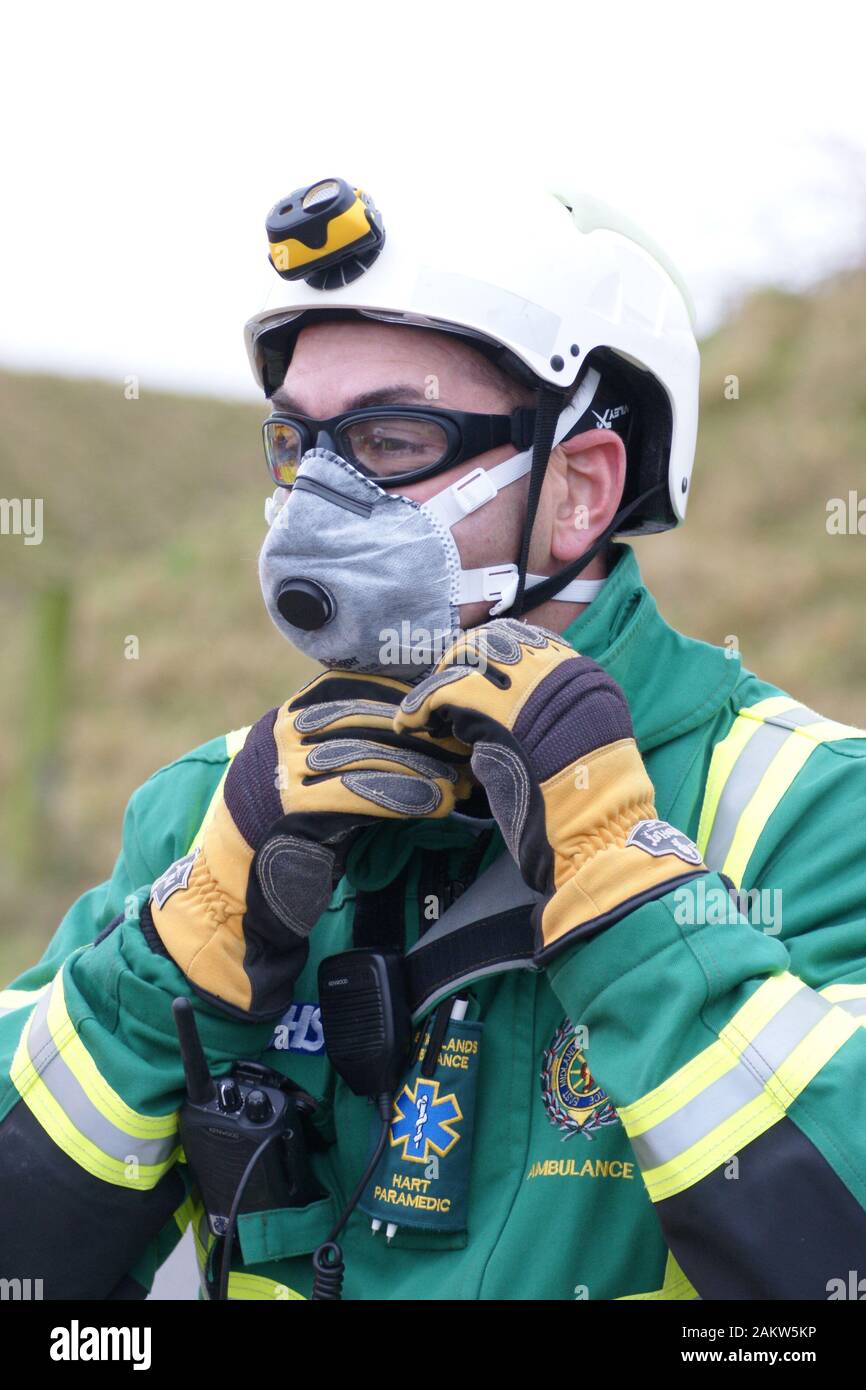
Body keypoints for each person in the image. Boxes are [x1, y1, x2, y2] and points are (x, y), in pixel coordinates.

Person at [2, 175, 865, 1301]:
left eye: (388, 436)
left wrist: (631, 896)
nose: (315, 500)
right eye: (296, 444)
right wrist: (164, 966)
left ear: (579, 489)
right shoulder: (204, 812)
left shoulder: (810, 815)